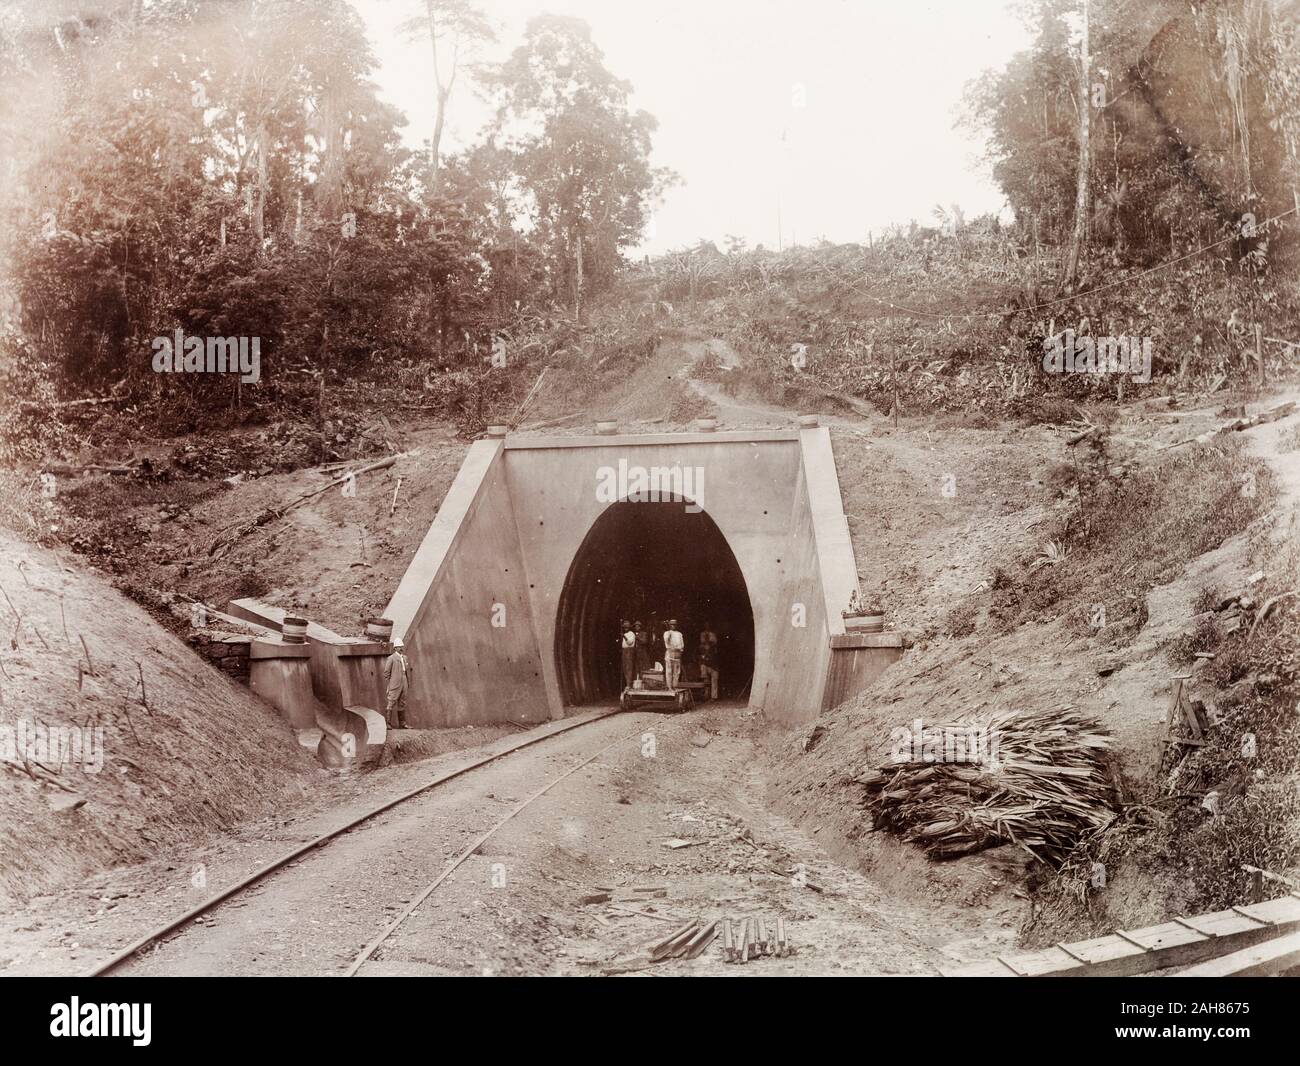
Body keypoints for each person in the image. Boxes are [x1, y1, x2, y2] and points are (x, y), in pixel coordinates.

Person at [384, 637, 410, 729]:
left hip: (404, 680)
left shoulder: (405, 658)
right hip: (395, 682)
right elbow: (386, 672)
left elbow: (407, 671)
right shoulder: (391, 658)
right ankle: (388, 723)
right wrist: (389, 684)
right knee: (391, 701)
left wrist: (406, 681)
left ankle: (402, 724)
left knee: (402, 702)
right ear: (395, 648)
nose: (401, 648)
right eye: (399, 647)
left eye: (401, 646)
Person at [697, 627, 719, 701]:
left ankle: (713, 697)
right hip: (706, 665)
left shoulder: (714, 648)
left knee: (714, 680)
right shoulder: (701, 647)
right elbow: (700, 658)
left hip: (714, 666)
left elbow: (714, 658)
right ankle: (706, 695)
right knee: (705, 679)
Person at [663, 618, 684, 692]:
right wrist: (669, 635)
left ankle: (675, 686)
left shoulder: (679, 634)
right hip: (670, 652)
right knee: (669, 671)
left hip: (677, 653)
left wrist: (680, 651)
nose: (673, 626)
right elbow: (667, 642)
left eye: (674, 625)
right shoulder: (666, 633)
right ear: (670, 625)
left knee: (677, 672)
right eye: (672, 625)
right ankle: (669, 687)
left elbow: (682, 644)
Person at [620, 619, 637, 690]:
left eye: (627, 627)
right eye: (624, 627)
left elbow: (630, 642)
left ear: (629, 627)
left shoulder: (631, 634)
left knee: (629, 667)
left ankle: (629, 684)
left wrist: (624, 636)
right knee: (625, 667)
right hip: (624, 650)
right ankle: (627, 683)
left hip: (629, 651)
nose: (625, 628)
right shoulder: (625, 634)